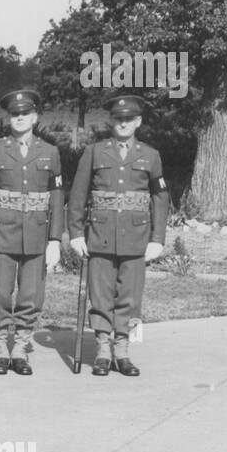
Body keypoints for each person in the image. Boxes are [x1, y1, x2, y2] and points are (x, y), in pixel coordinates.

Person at [67, 94, 169, 376]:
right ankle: (101, 350)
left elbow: (160, 197)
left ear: (138, 122)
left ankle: (122, 351)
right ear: (112, 121)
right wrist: (75, 232)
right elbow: (78, 193)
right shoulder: (95, 152)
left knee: (129, 295)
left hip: (136, 238)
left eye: (129, 119)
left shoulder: (150, 155)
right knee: (100, 295)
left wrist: (157, 238)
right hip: (99, 234)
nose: (123, 123)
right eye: (118, 119)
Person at [0, 89, 65, 375]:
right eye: (15, 114)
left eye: (25, 113)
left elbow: (57, 196)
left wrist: (54, 240)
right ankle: (0, 347)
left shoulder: (50, 152)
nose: (20, 118)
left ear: (35, 117)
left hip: (37, 235)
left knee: (31, 295)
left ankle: (21, 347)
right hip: (2, 235)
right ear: (9, 117)